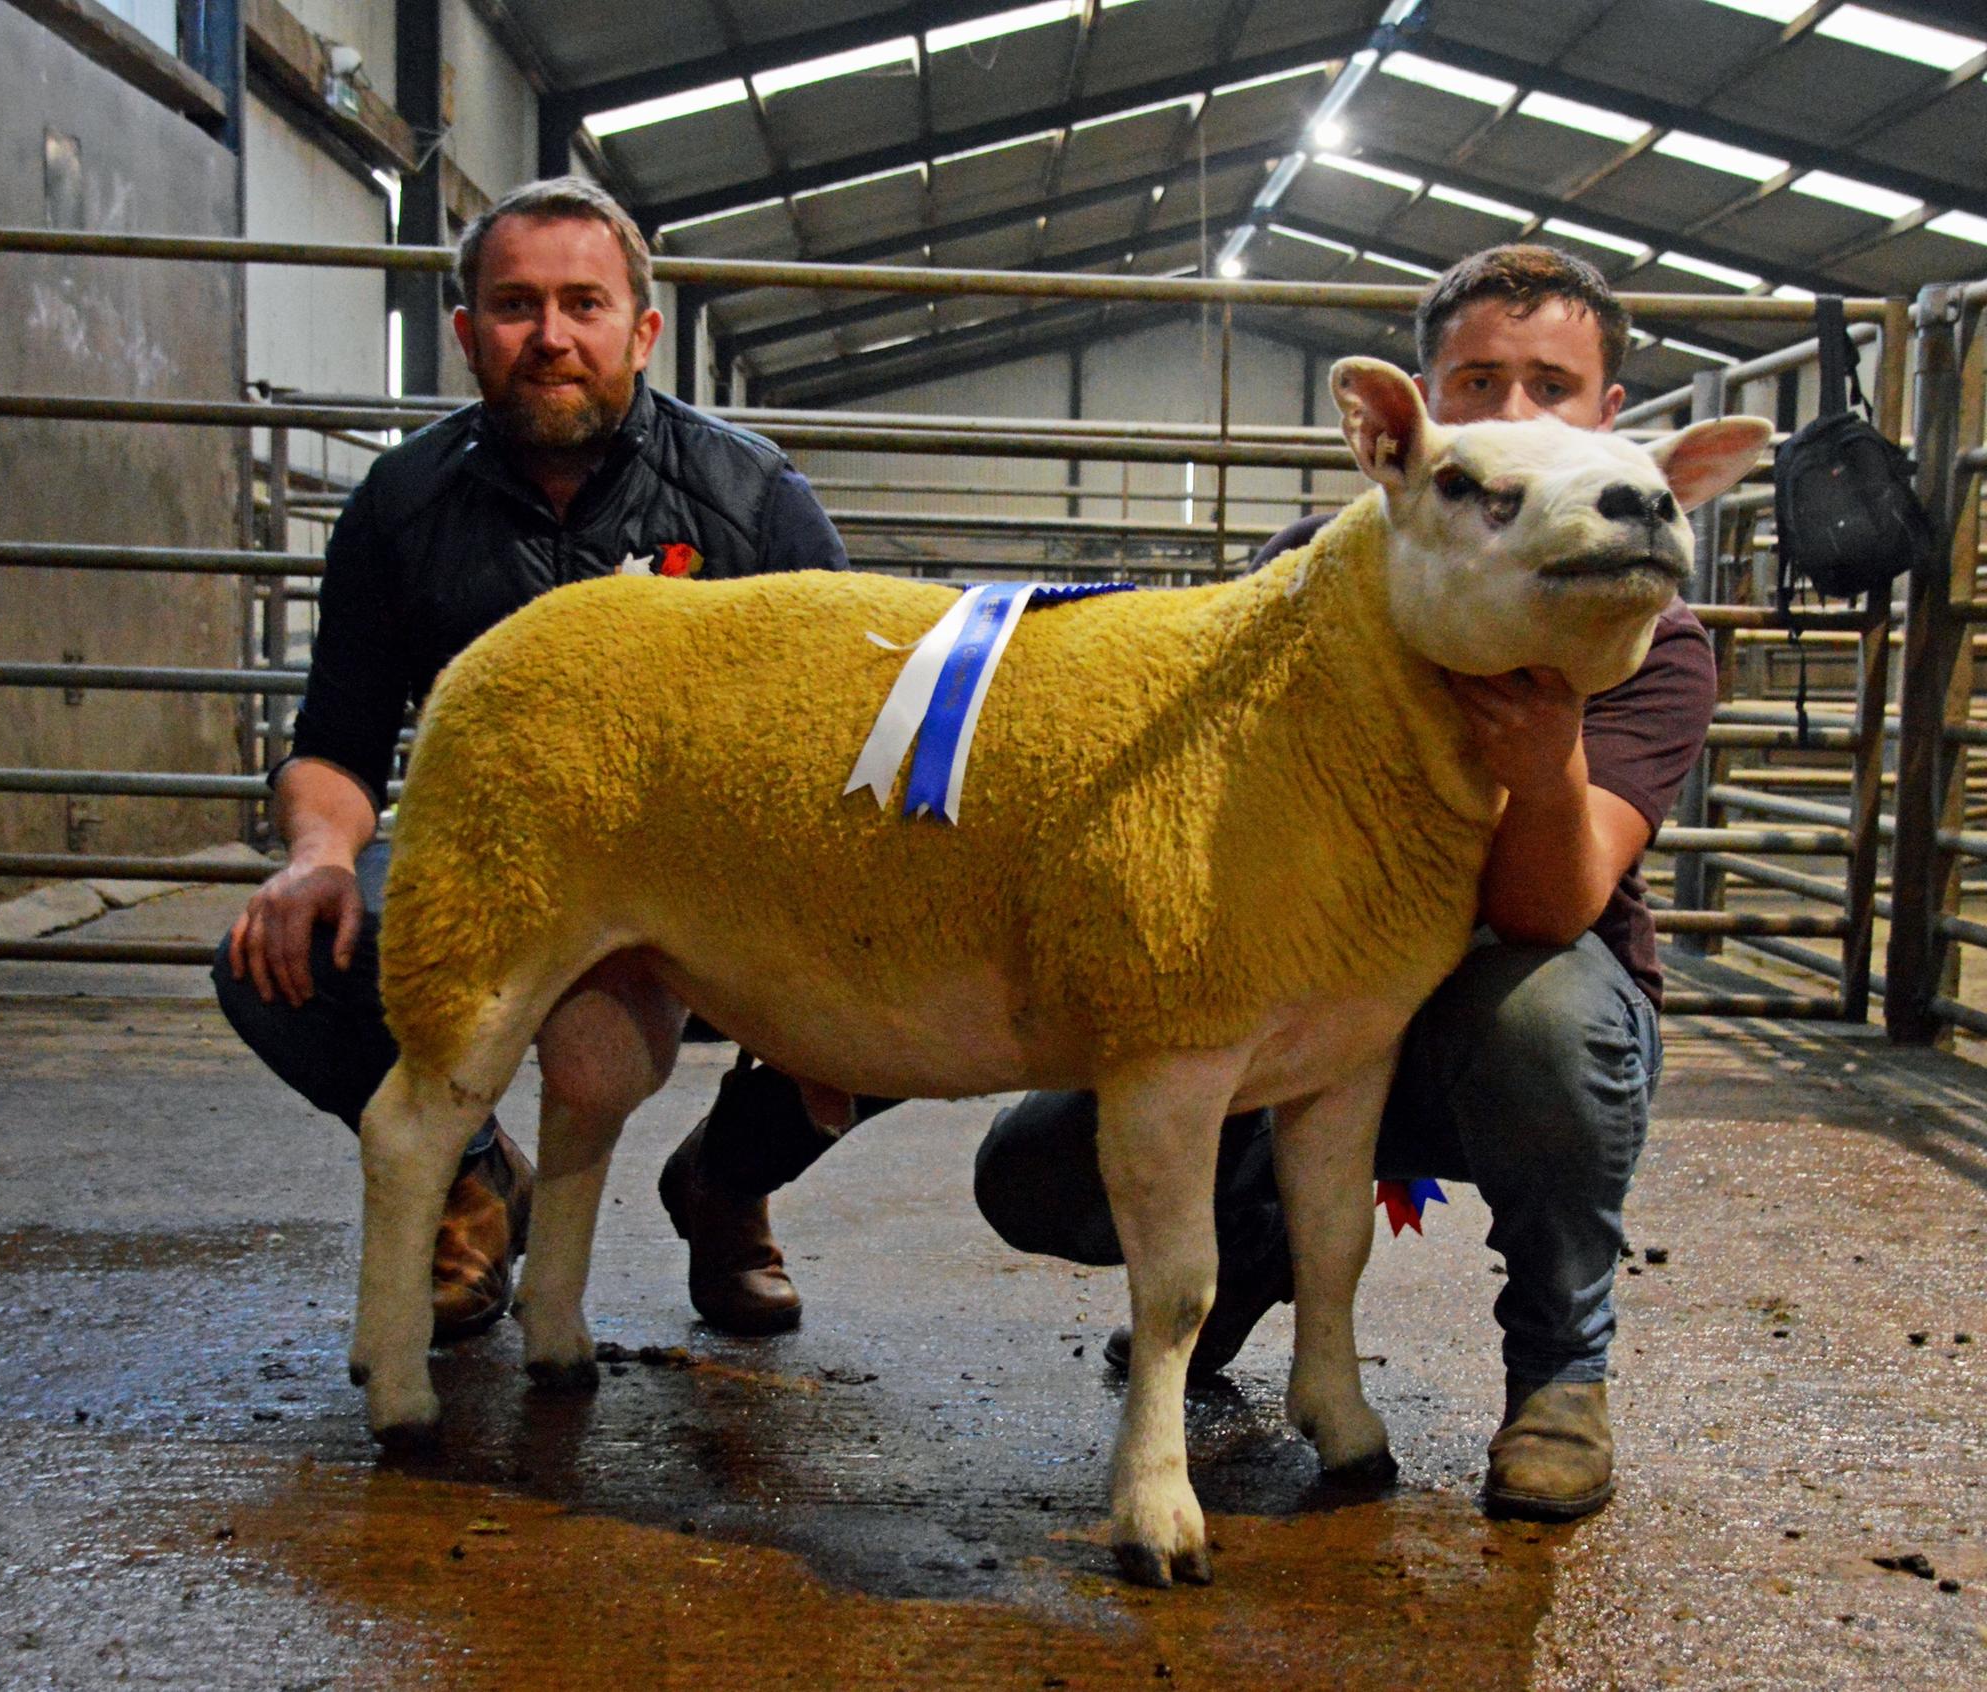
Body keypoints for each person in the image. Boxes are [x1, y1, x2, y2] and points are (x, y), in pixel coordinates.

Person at [971, 243, 1718, 1522]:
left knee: (1541, 1021)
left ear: (1610, 423)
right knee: (1037, 1163)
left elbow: (1550, 906)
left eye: (1554, 386)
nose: (1516, 413)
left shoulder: (1641, 630)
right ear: (1402, 419)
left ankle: (1556, 1373)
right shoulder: (1315, 580)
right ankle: (1257, 1260)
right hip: (1299, 982)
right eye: (1478, 381)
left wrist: (1543, 765)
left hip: (1496, 1004)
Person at [213, 177, 854, 1345]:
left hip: (715, 880)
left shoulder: (753, 501)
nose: (549, 336)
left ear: (641, 331)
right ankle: (468, 1171)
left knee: (928, 971)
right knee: (279, 956)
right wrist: (314, 855)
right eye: (514, 305)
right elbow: (338, 745)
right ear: (465, 333)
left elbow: (851, 736)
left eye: (582, 303)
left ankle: (727, 1179)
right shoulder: (402, 505)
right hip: (497, 860)